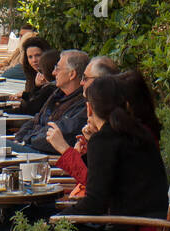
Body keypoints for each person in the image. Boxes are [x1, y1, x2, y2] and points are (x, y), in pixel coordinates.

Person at [56, 74, 168, 231]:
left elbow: (95, 203)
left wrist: (55, 220)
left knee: (43, 229)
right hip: (148, 230)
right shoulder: (139, 132)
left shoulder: (104, 140)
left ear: (89, 109)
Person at [45, 56, 122, 188]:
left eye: (85, 78)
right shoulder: (112, 126)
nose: (81, 83)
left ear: (101, 82)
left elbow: (95, 184)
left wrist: (64, 149)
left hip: (90, 206)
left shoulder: (115, 132)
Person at [11, 50, 89, 155]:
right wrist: (19, 138)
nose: (53, 73)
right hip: (30, 147)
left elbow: (56, 134)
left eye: (58, 68)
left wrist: (26, 139)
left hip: (43, 156)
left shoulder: (82, 104)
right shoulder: (57, 94)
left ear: (72, 74)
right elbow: (36, 120)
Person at [6, 37, 52, 114]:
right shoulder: (31, 76)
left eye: (37, 55)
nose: (34, 60)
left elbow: (34, 108)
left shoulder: (52, 79)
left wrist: (27, 94)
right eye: (30, 57)